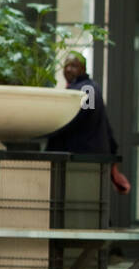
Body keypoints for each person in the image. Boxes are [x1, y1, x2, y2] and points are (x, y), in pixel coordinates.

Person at [45, 53, 131, 194]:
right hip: (86, 159)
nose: (68, 69)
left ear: (83, 69)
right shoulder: (83, 88)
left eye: (74, 65)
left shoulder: (88, 89)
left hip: (84, 159)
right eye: (66, 65)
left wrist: (48, 129)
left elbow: (82, 116)